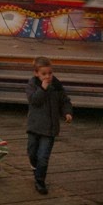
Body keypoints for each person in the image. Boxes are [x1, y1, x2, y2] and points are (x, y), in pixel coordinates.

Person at [26, 56, 73, 195]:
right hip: (34, 126)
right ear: (36, 73)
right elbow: (34, 101)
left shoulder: (57, 86)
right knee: (32, 152)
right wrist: (43, 88)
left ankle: (40, 181)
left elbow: (65, 101)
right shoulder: (32, 85)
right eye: (44, 74)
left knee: (43, 156)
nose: (48, 76)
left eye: (50, 73)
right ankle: (34, 167)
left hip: (50, 128)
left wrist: (67, 113)